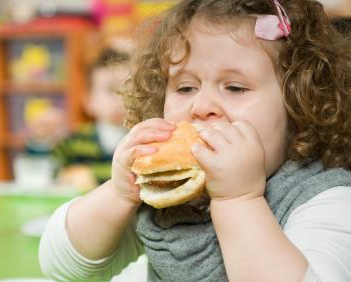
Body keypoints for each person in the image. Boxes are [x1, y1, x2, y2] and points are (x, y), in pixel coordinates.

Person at [39, 0, 351, 281]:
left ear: (299, 105)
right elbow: (63, 267)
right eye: (186, 88)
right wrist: (119, 194)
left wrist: (238, 200)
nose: (201, 107)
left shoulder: (326, 199)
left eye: (235, 88)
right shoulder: (171, 192)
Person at [25, 48, 130, 190]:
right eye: (111, 90)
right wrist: (41, 139)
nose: (121, 99)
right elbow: (45, 171)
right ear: (89, 102)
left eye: (130, 89)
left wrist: (91, 175)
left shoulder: (142, 137)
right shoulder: (76, 140)